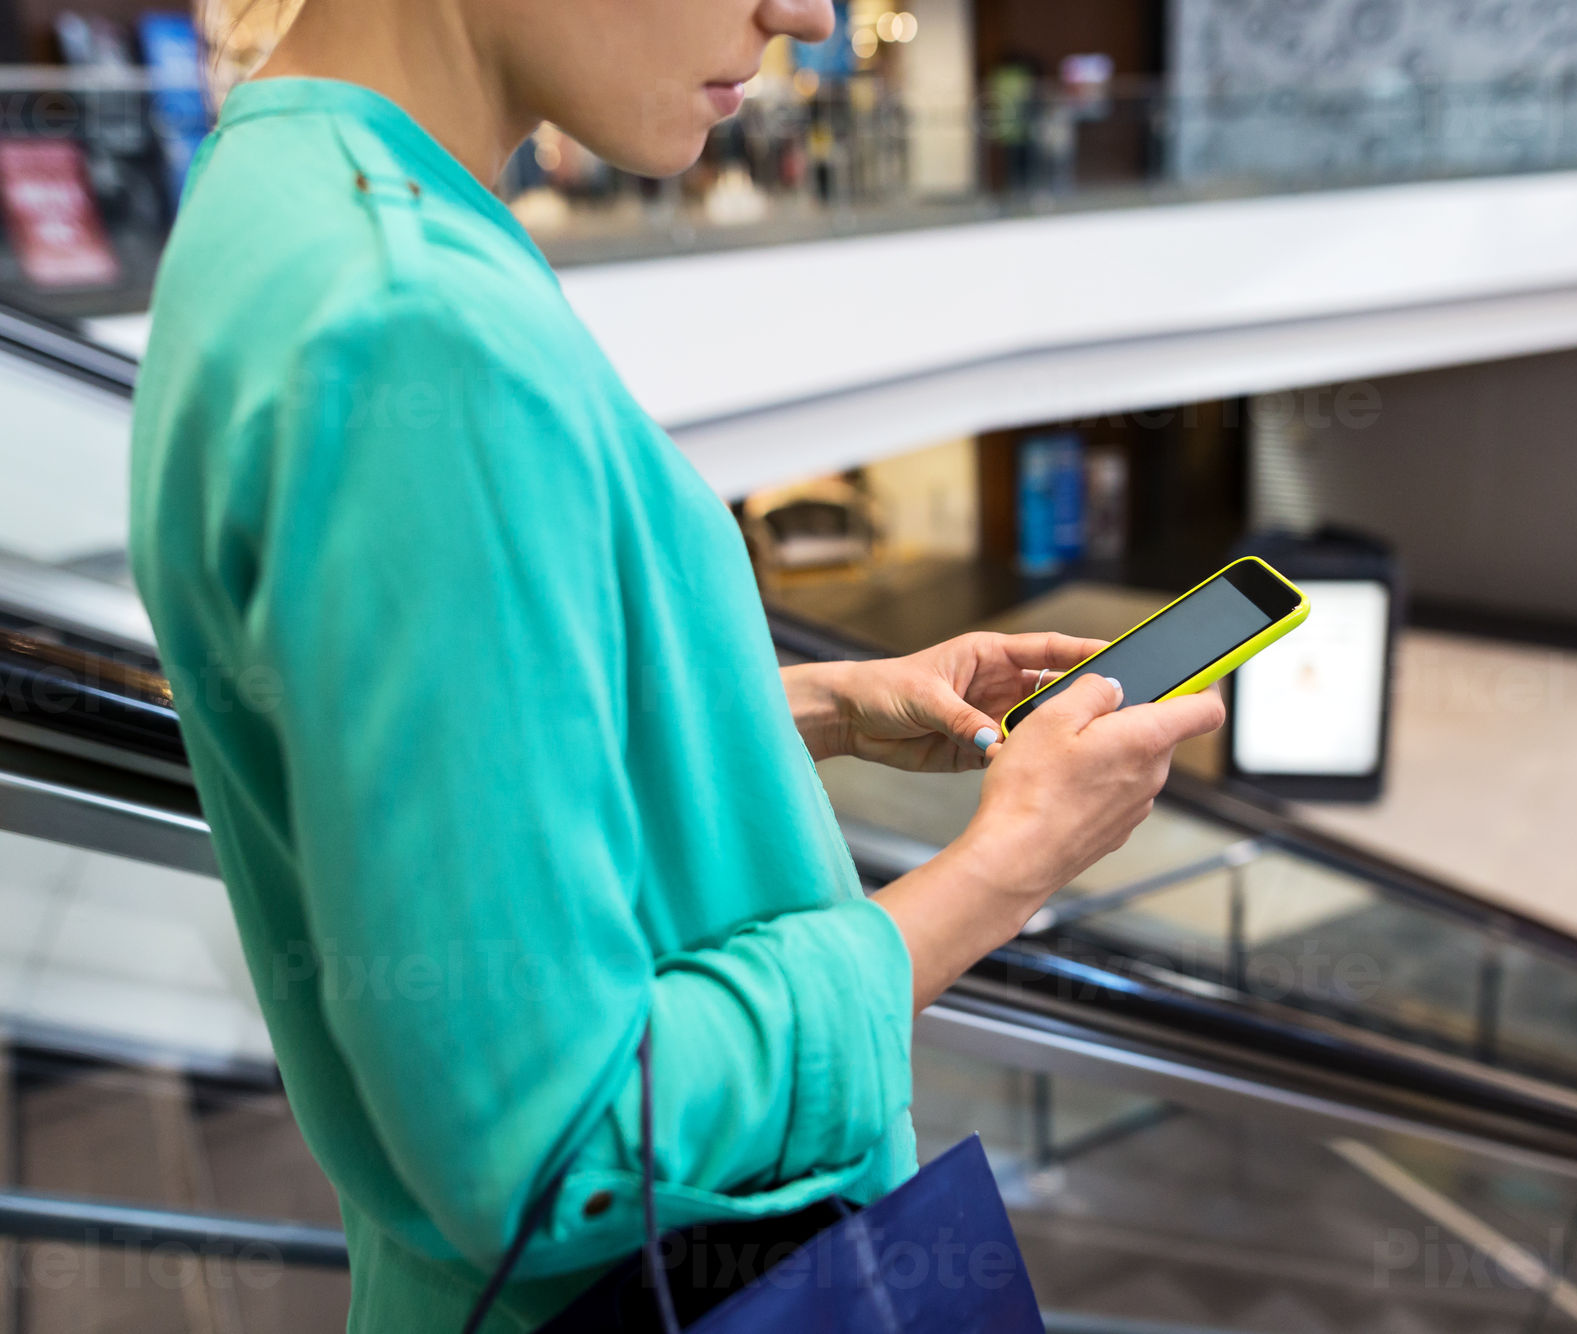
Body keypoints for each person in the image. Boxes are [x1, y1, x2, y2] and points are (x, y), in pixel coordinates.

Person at [128, 1, 1227, 1330]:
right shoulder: (413, 322)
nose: (805, 15)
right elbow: (553, 1141)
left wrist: (806, 705)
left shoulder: (286, 176)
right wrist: (1007, 868)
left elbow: (448, 753)